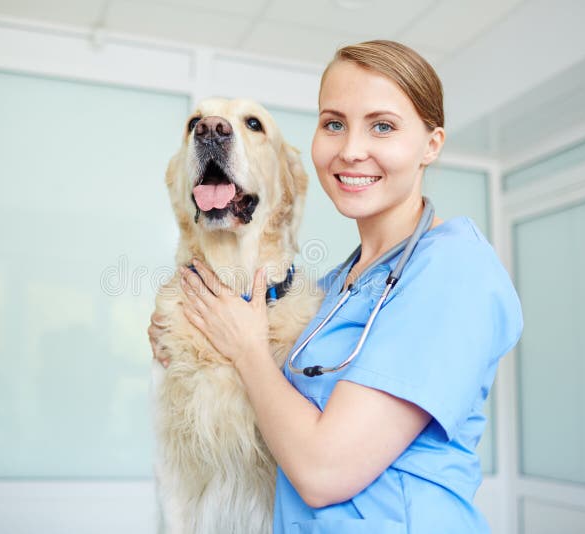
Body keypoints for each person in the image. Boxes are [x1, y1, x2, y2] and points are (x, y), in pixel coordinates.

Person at [149, 40, 522, 533]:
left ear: (431, 144)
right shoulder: (327, 292)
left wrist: (244, 347)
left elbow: (324, 471)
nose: (351, 149)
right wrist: (181, 337)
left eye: (382, 126)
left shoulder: (453, 272)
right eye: (334, 123)